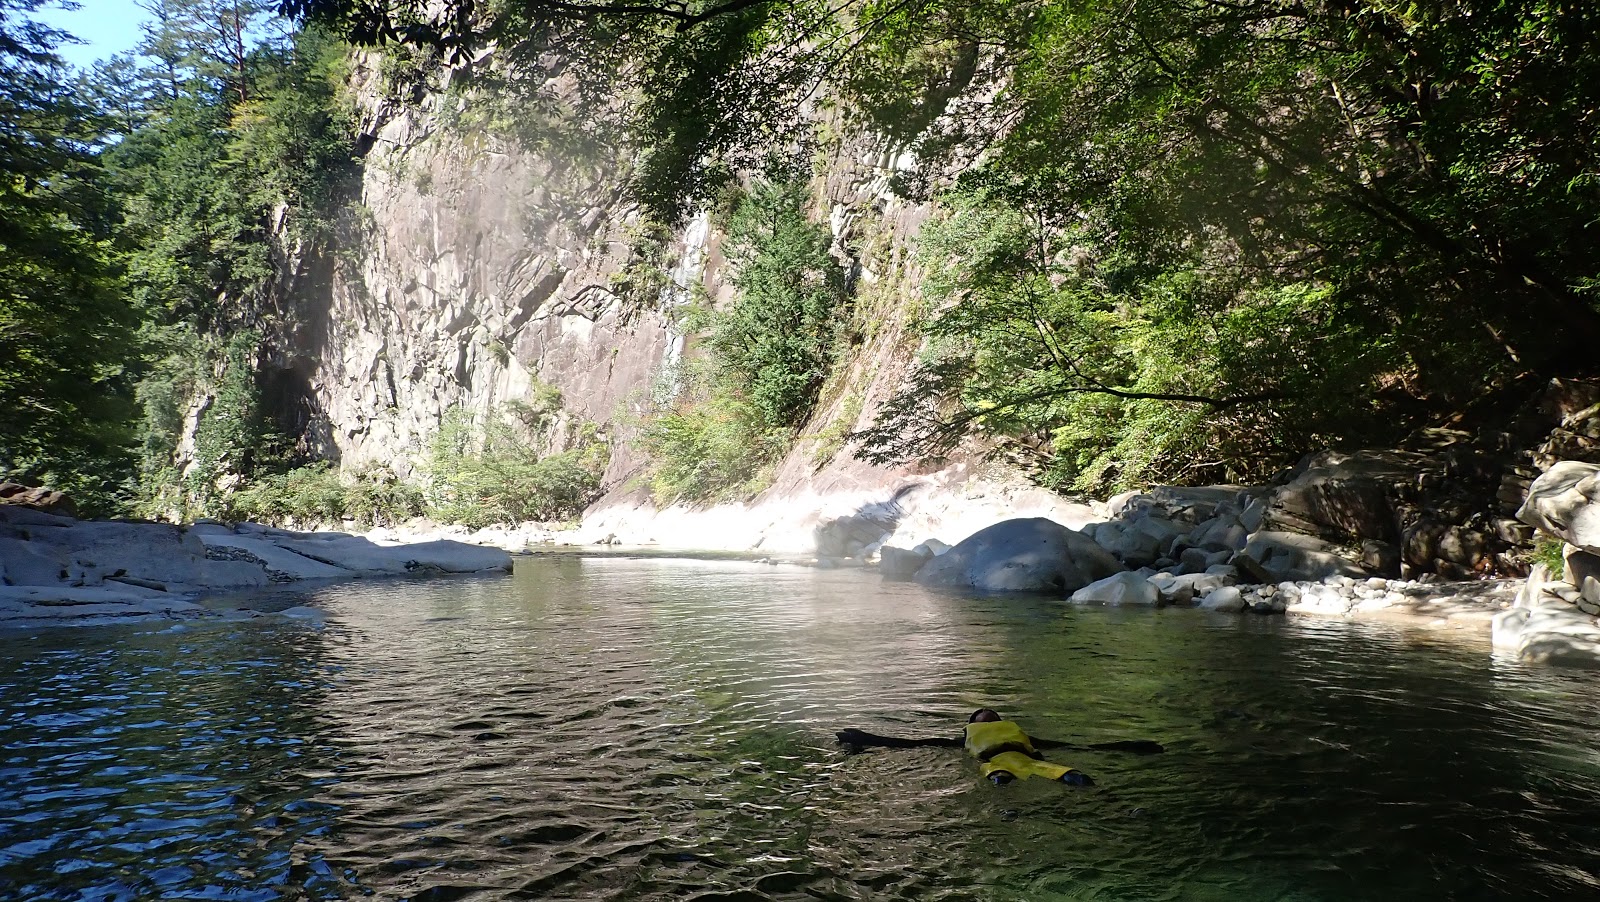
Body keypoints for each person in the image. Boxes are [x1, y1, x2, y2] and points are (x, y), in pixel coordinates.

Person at [837, 708, 1100, 785]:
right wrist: (865, 738)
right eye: (980, 715)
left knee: (1072, 775)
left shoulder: (1023, 738)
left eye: (991, 714)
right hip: (994, 764)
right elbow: (914, 744)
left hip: (1030, 760)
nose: (985, 713)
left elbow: (1077, 746)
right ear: (971, 726)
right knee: (1001, 779)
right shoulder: (963, 741)